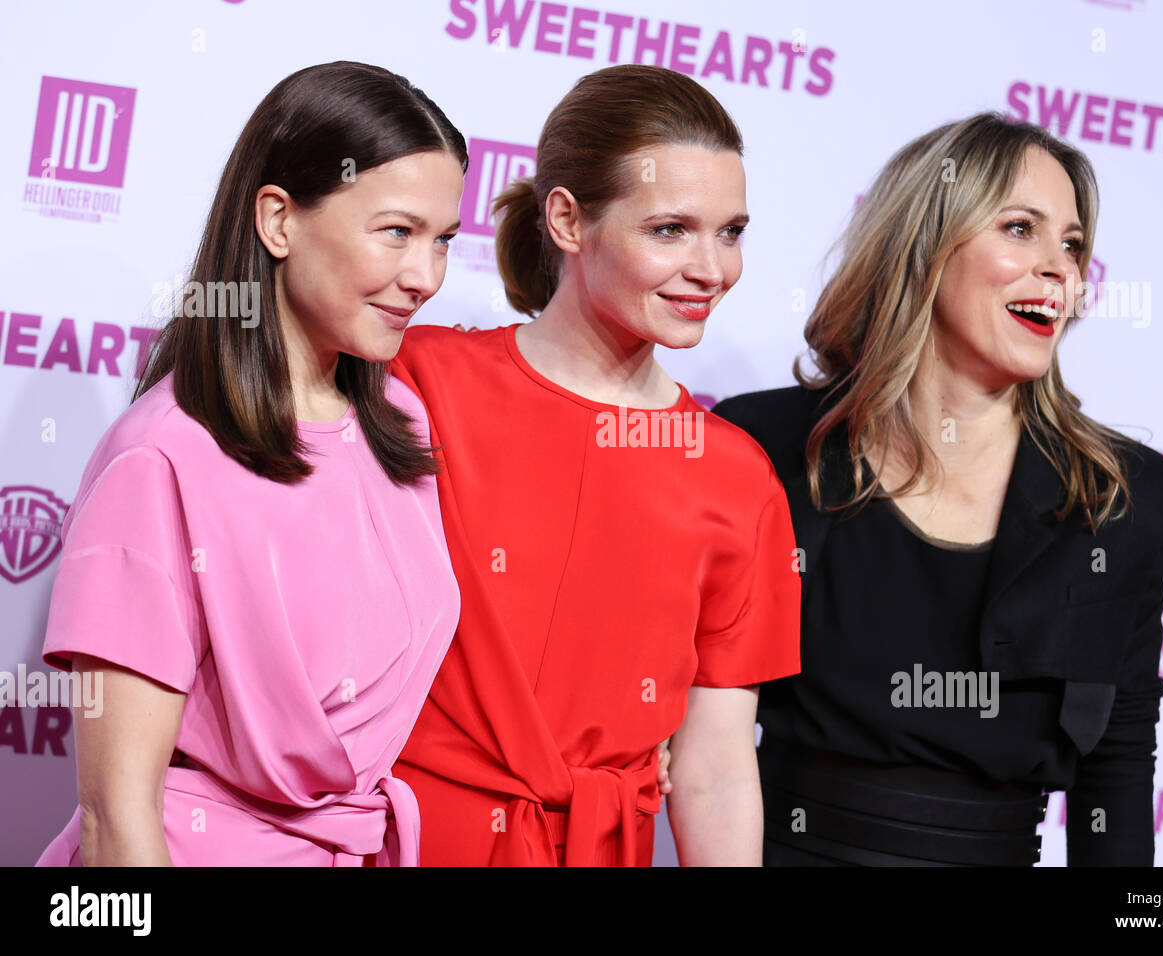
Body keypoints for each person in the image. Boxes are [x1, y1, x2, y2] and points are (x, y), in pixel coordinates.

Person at [712, 112, 1163, 866]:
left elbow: (1117, 770)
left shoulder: (1120, 496)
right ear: (927, 244)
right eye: (1020, 228)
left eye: (1072, 244)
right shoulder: (764, 446)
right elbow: (696, 729)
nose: (1059, 267)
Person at [35, 61, 466, 866]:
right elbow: (114, 822)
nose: (426, 277)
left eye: (443, 241)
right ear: (278, 221)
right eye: (398, 232)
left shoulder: (399, 421)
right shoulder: (162, 458)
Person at [389, 64, 802, 866]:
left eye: (732, 231)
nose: (713, 269)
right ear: (569, 220)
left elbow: (714, 767)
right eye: (670, 229)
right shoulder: (420, 381)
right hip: (398, 838)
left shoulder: (738, 476)